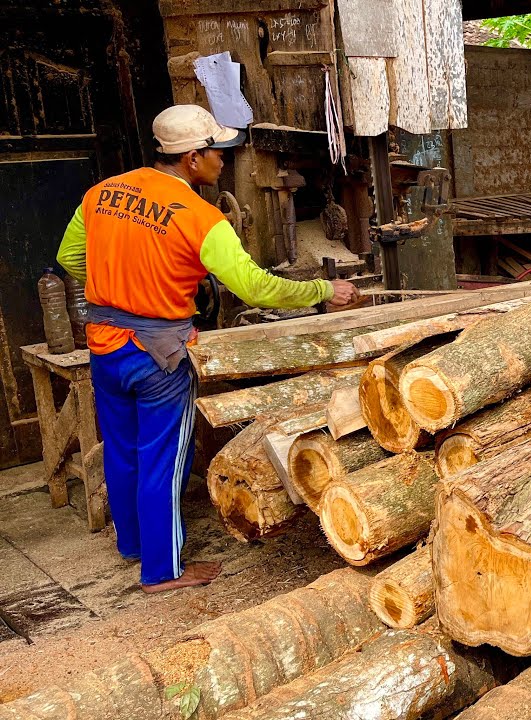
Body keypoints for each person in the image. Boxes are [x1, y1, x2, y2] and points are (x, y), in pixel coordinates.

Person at [56, 105, 359, 593]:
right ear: (193, 158)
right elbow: (256, 289)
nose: (225, 159)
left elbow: (71, 257)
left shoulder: (100, 194)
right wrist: (323, 291)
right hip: (160, 354)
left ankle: (132, 543)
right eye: (219, 151)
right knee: (165, 457)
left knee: (123, 448)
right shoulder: (201, 217)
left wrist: (122, 285)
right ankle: (162, 570)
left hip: (105, 345)